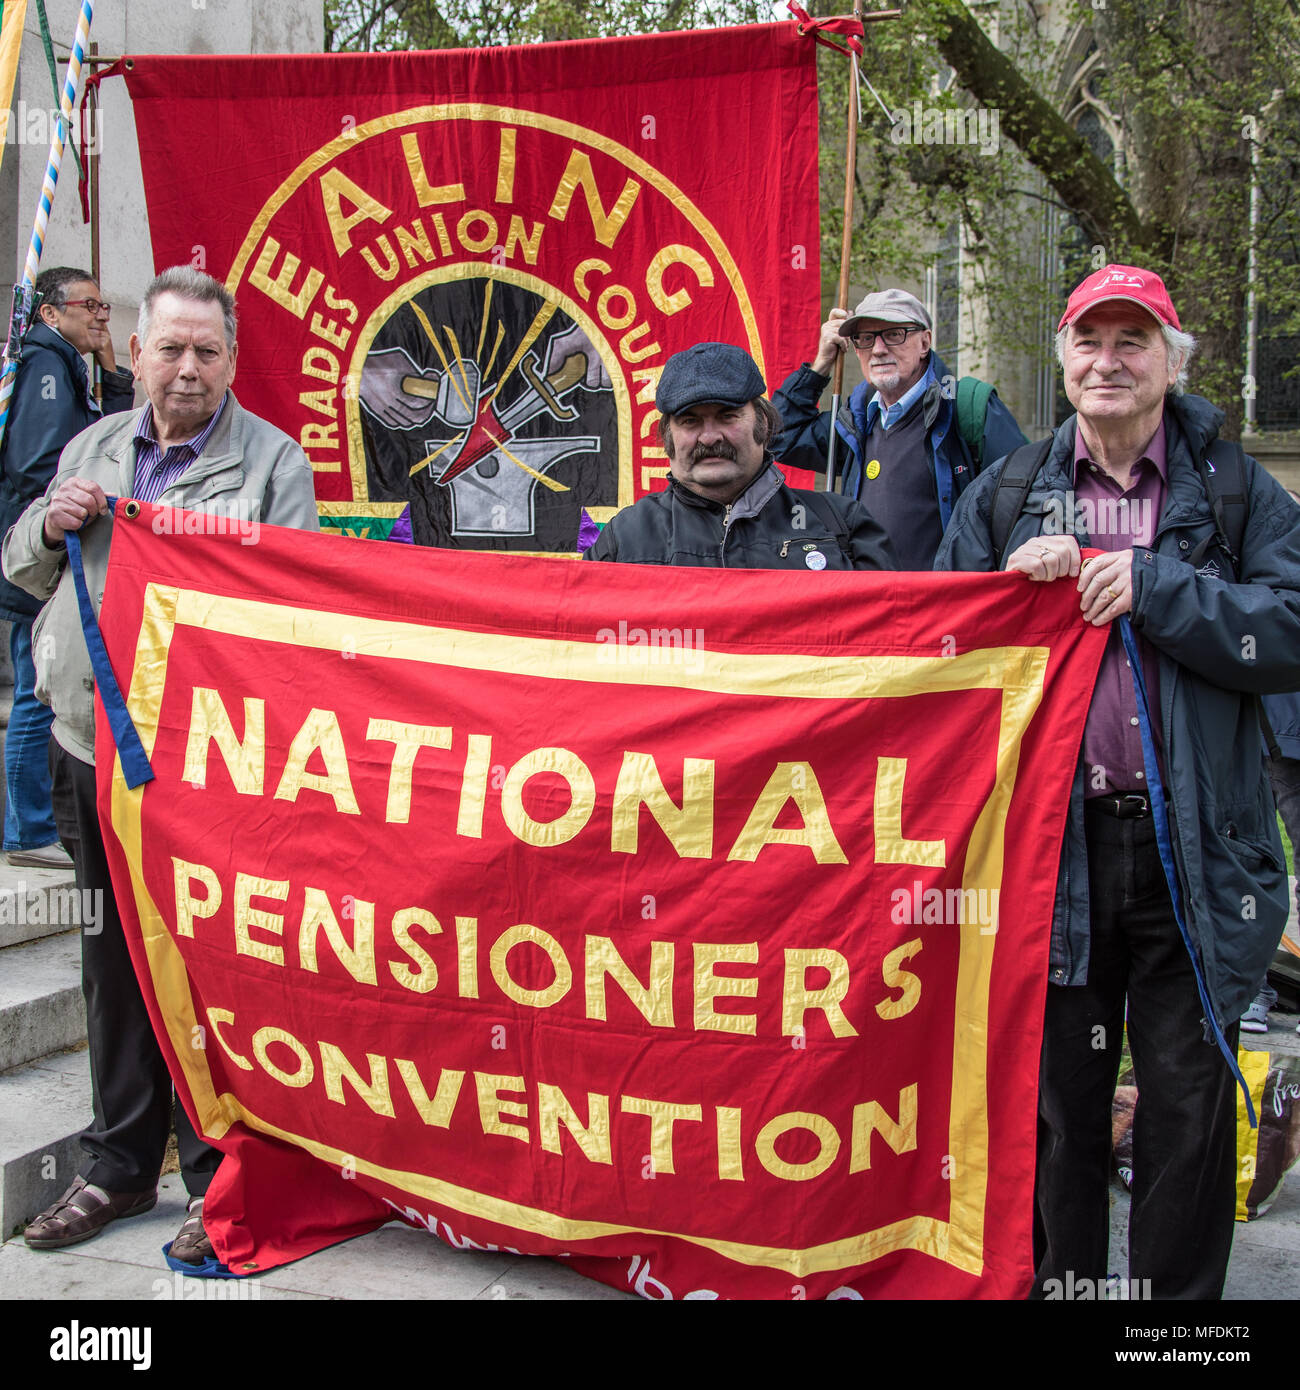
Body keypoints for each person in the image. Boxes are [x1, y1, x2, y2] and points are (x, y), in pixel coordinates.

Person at [935, 264, 1300, 1298]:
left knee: (1187, 1106)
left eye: (1131, 341)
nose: (1108, 361)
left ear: (1170, 364)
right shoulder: (1005, 492)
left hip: (1201, 851)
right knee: (1057, 1105)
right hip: (1055, 851)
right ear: (1062, 362)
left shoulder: (1233, 492)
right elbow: (936, 650)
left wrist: (1156, 586)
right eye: (1088, 341)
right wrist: (1005, 596)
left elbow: (1290, 631)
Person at [3, 265, 320, 1264]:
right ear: (134, 353)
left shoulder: (274, 462)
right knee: (110, 963)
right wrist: (48, 521)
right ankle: (117, 1163)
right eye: (170, 348)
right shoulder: (94, 443)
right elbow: (22, 566)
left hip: (201, 767)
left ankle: (216, 1170)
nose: (187, 369)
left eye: (207, 352)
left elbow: (293, 609)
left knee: (206, 963)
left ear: (231, 363)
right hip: (86, 745)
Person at [0, 267, 135, 869]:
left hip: (60, 550)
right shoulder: (46, 369)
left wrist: (110, 368)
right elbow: (38, 469)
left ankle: (32, 824)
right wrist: (66, 512)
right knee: (38, 689)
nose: (102, 315)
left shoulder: (71, 364)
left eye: (107, 306)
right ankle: (27, 830)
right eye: (90, 305)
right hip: (46, 557)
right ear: (51, 314)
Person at [771, 288, 1027, 569]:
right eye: (866, 339)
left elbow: (1024, 500)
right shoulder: (856, 421)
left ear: (925, 342)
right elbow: (780, 436)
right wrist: (821, 364)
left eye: (894, 334)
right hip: (869, 604)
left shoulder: (965, 407)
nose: (879, 349)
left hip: (945, 606)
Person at [583, 341, 895, 571]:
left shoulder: (843, 525)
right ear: (669, 437)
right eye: (690, 421)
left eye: (727, 416)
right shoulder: (623, 539)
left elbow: (896, 648)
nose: (709, 436)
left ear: (764, 424)